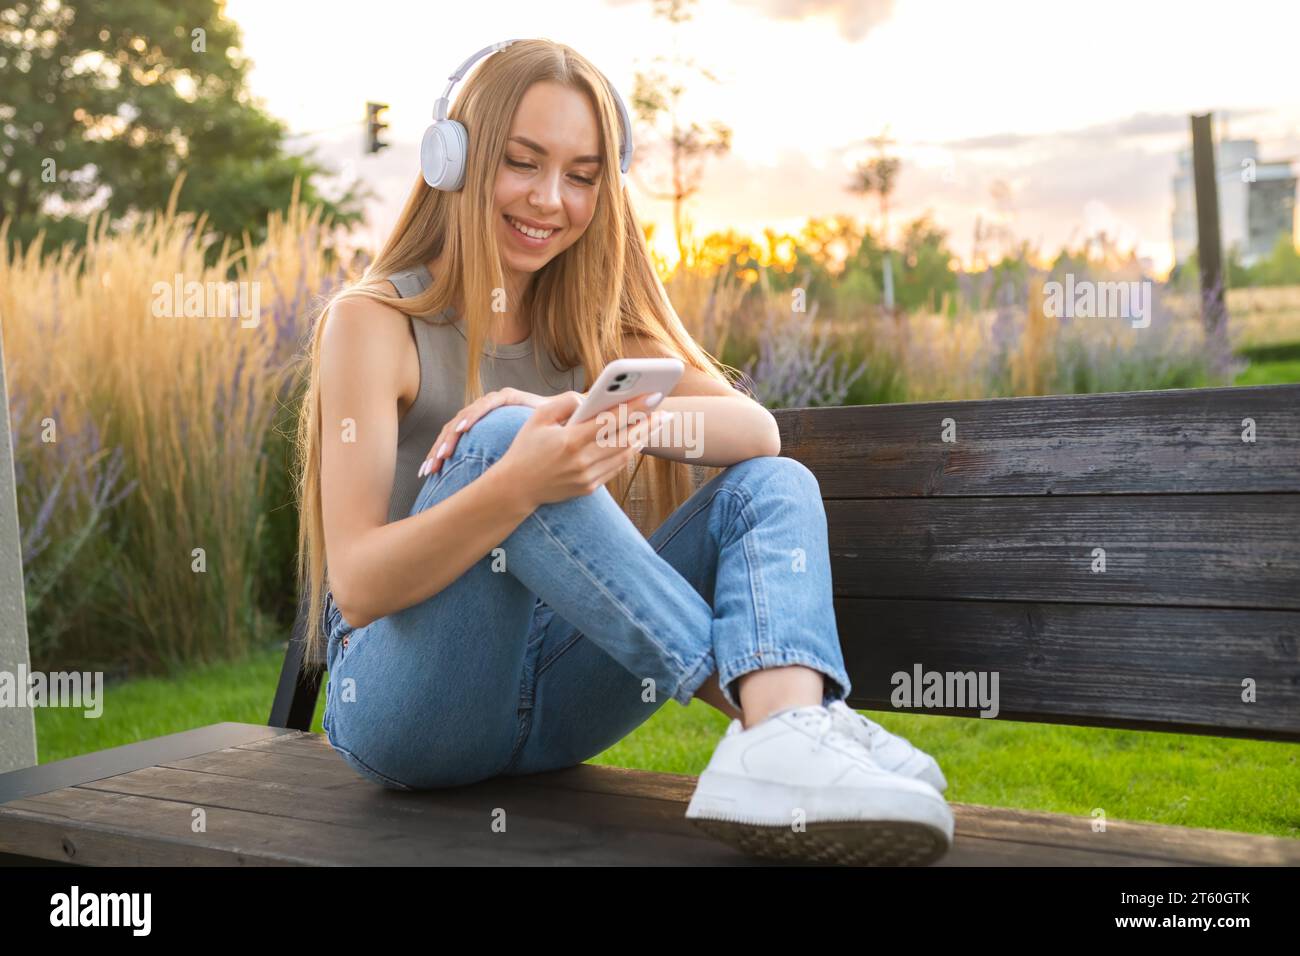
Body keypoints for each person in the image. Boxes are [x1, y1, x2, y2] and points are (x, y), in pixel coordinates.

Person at [294, 37, 953, 865]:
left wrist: (578, 416)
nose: (549, 199)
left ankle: (786, 732)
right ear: (453, 159)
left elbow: (759, 435)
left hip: (559, 705)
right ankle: (785, 724)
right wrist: (522, 475)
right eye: (522, 163)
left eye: (581, 175)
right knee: (504, 440)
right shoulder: (375, 323)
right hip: (411, 712)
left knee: (771, 484)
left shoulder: (593, 331)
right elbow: (355, 586)